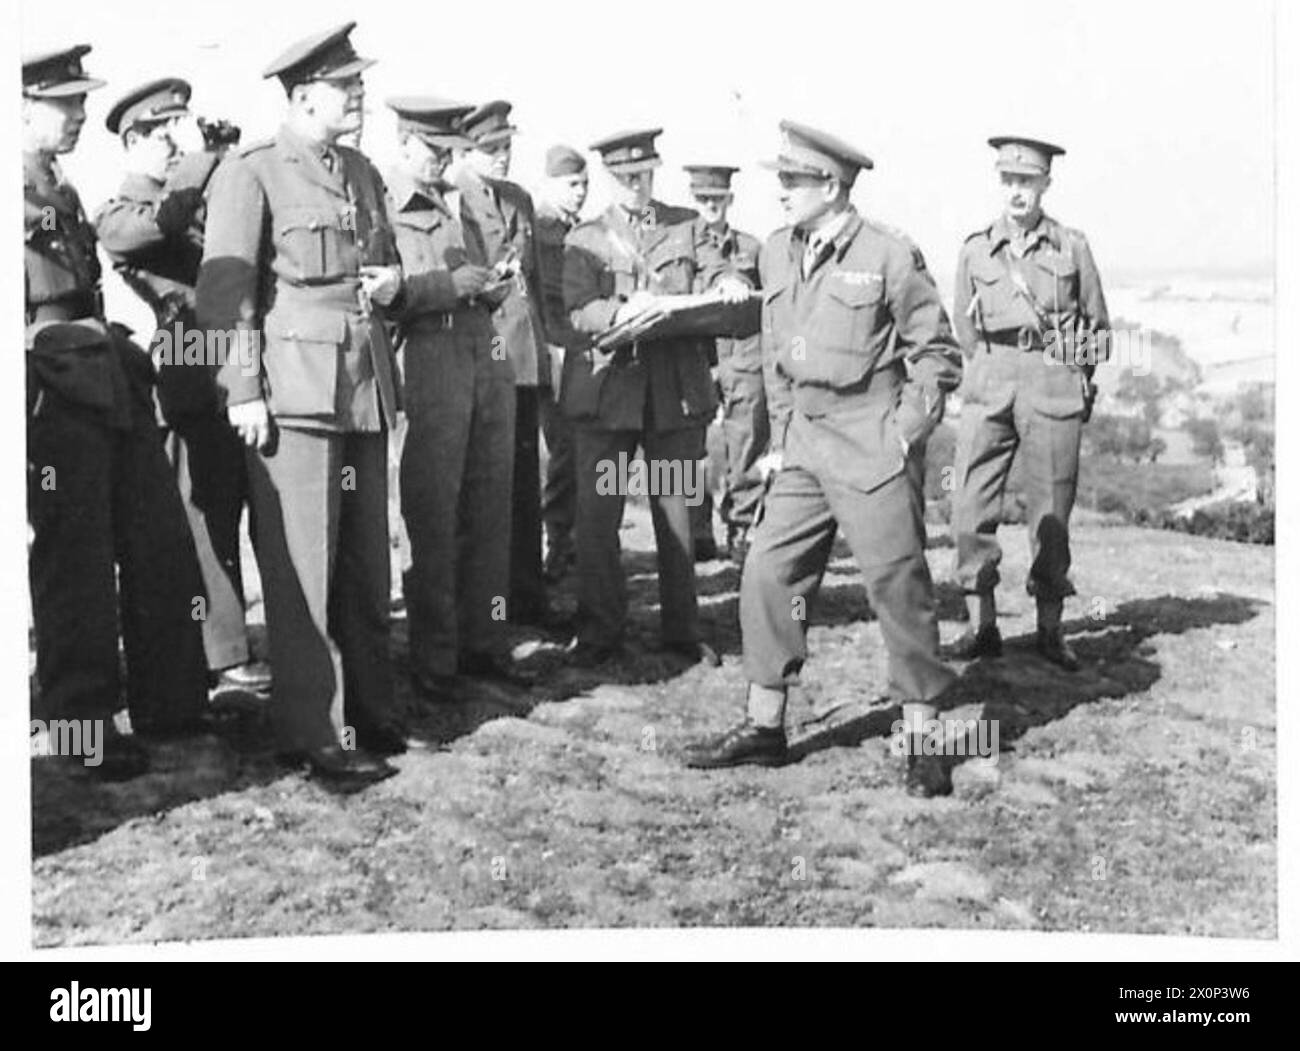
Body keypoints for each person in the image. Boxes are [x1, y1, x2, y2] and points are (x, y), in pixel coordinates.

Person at [684, 121, 962, 797]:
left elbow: (938, 355)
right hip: (806, 442)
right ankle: (765, 726)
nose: (780, 192)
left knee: (898, 586)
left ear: (831, 186)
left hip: (872, 438)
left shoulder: (890, 254)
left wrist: (902, 435)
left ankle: (922, 738)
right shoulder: (778, 251)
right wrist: (781, 440)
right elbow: (777, 348)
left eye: (793, 180)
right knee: (769, 572)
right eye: (780, 179)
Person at [196, 22, 405, 790]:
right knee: (303, 573)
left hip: (362, 386)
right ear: (305, 95)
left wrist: (393, 284)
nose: (358, 94)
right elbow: (227, 298)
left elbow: (378, 264)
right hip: (295, 393)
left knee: (364, 564)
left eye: (356, 83)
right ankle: (314, 732)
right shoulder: (253, 172)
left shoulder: (360, 169)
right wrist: (244, 389)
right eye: (346, 85)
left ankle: (373, 710)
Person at [24, 45, 209, 780]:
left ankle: (171, 701)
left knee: (157, 541)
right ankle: (77, 732)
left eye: (77, 102)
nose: (75, 115)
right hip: (49, 384)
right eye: (64, 103)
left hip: (101, 371)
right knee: (74, 566)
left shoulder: (57, 187)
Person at [95, 78, 270, 694]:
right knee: (203, 520)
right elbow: (152, 233)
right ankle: (217, 653)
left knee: (241, 507)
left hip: (232, 362)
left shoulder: (194, 195)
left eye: (183, 132)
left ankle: (230, 643)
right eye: (165, 136)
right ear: (133, 140)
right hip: (186, 372)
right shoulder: (122, 210)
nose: (177, 147)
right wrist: (201, 164)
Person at [561, 128, 720, 668]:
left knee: (675, 516)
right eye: (626, 178)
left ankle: (681, 632)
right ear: (610, 178)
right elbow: (577, 311)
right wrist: (619, 313)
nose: (636, 186)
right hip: (609, 398)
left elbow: (721, 272)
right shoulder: (585, 238)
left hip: (669, 399)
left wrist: (727, 284)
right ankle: (600, 632)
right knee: (598, 518)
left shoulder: (687, 227)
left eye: (644, 175)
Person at [949, 137, 1109, 672]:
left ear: (1045, 184)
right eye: (1009, 181)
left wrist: (1074, 377)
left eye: (1027, 181)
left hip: (1053, 378)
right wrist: (984, 369)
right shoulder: (976, 248)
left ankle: (1049, 629)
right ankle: (982, 625)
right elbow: (962, 328)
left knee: (1051, 514)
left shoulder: (1071, 246)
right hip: (991, 378)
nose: (1017, 191)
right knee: (970, 504)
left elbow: (1098, 330)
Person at [384, 96, 522, 697]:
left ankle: (485, 643)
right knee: (434, 516)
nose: (445, 163)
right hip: (428, 362)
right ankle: (435, 660)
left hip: (483, 355)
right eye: (436, 152)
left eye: (452, 153)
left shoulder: (464, 204)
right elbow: (377, 293)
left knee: (489, 511)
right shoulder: (384, 208)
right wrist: (447, 285)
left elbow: (472, 279)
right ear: (405, 144)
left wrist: (490, 287)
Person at [453, 100, 551, 626]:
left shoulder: (519, 199)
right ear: (466, 152)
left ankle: (526, 597)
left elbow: (535, 286)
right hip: (483, 356)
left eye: (507, 147)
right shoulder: (455, 201)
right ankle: (488, 605)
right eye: (491, 149)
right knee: (485, 488)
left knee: (522, 483)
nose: (503, 157)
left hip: (524, 357)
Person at [684, 164, 768, 565]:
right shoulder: (681, 244)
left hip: (741, 355)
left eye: (718, 199)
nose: (710, 206)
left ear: (730, 200)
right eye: (702, 199)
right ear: (692, 199)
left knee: (746, 443)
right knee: (687, 446)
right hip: (693, 357)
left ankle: (741, 527)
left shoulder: (752, 248)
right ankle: (695, 529)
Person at [534, 144, 589, 585]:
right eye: (572, 185)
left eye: (585, 185)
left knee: (578, 449)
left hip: (581, 352)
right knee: (565, 450)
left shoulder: (577, 229)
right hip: (556, 352)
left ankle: (569, 542)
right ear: (550, 185)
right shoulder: (543, 229)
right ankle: (557, 544)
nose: (581, 193)